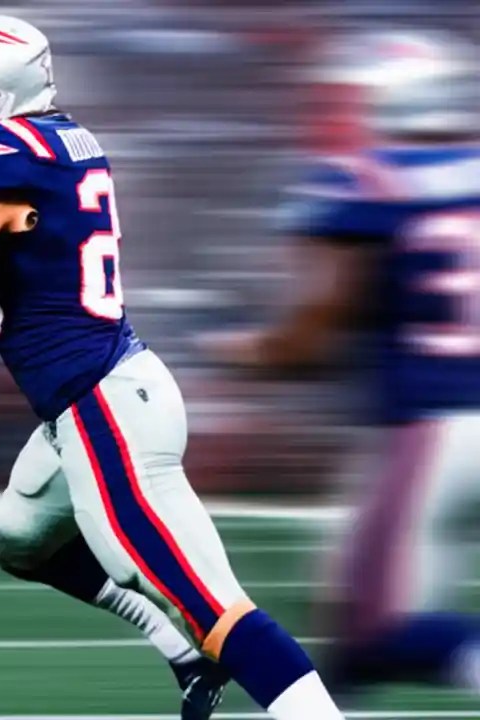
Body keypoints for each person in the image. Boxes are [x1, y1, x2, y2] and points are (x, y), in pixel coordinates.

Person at [0, 14, 345, 719]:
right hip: (92, 400)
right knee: (17, 540)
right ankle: (181, 653)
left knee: (215, 609)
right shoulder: (54, 139)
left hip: (105, 409)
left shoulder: (2, 156)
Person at [206, 29, 480, 699]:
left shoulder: (367, 182)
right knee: (349, 634)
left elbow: (320, 329)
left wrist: (251, 353)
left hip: (431, 431)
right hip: (443, 425)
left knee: (374, 631)